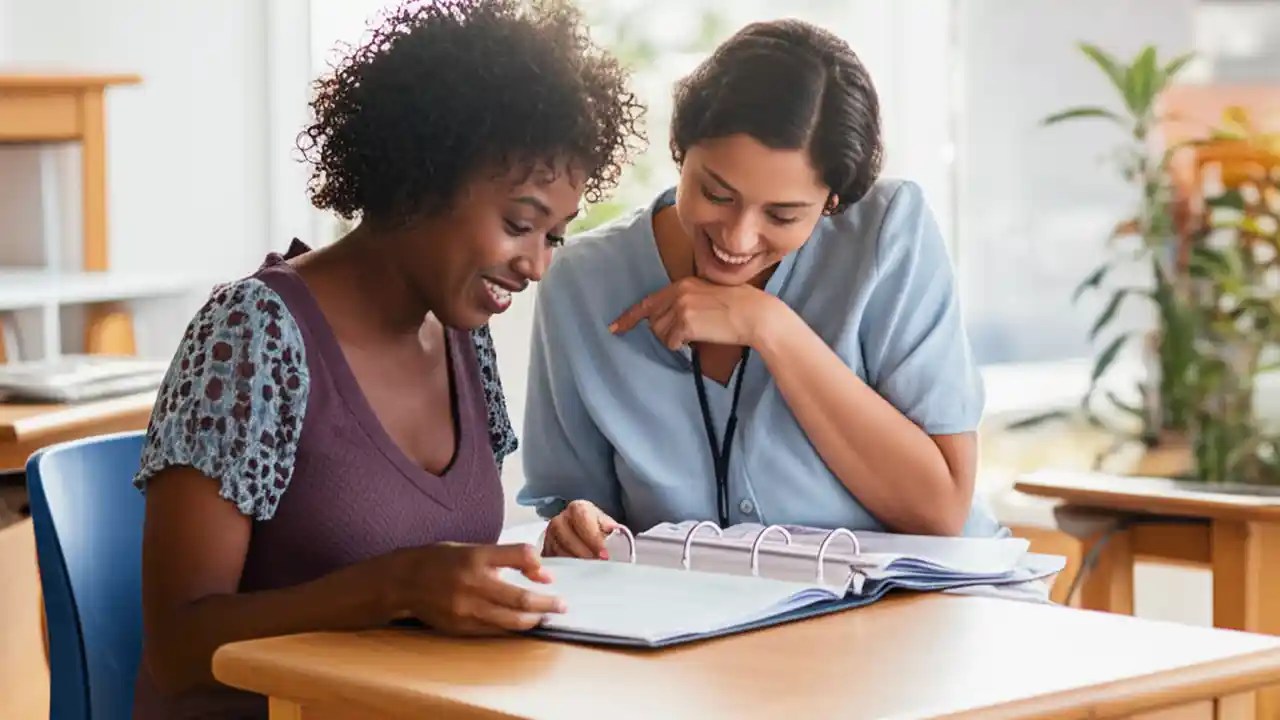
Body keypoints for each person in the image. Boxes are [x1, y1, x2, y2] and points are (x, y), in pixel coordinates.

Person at [131, 1, 642, 716]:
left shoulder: (461, 330)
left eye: (554, 236)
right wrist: (397, 586)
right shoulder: (254, 336)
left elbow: (438, 566)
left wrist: (533, 566)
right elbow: (178, 647)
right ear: (418, 179)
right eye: (519, 224)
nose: (536, 265)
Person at [520, 18, 1003, 560]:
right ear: (681, 150)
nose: (737, 237)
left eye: (783, 214)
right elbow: (574, 512)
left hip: (926, 613)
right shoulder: (582, 284)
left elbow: (941, 511)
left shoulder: (888, 236)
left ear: (831, 203)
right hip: (694, 627)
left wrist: (770, 327)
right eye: (716, 193)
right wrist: (574, 526)